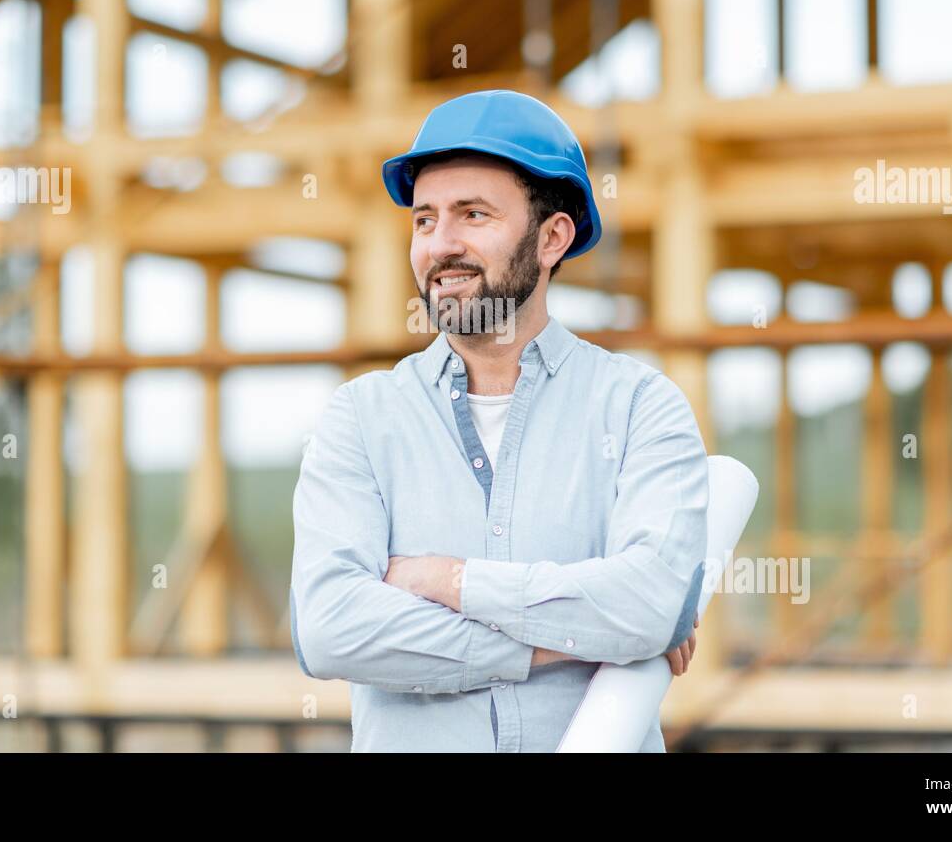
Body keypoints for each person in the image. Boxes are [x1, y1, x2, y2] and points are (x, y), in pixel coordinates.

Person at [289, 89, 708, 752]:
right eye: (424, 220)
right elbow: (330, 628)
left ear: (552, 237)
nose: (440, 245)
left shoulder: (639, 407)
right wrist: (570, 639)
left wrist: (445, 580)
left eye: (472, 214)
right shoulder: (360, 419)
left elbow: (653, 602)